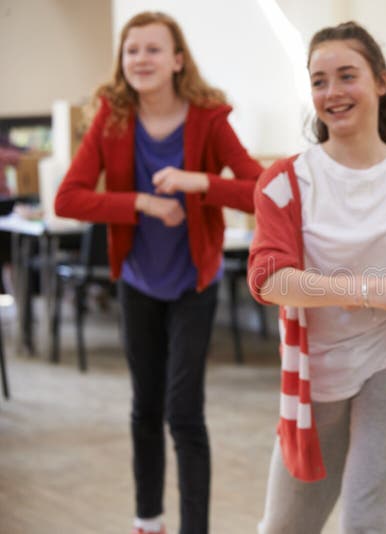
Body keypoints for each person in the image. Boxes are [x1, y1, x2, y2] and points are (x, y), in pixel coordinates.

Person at [247, 21, 386, 534]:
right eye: (319, 81)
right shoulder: (284, 183)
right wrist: (371, 290)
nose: (333, 93)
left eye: (347, 76)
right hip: (312, 375)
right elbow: (268, 279)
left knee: (372, 525)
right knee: (286, 526)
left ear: (380, 83)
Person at [54, 11, 262, 534]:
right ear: (122, 62)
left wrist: (200, 182)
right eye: (132, 50)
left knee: (183, 412)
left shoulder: (209, 118)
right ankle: (148, 521)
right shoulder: (112, 117)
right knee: (144, 406)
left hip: (194, 281)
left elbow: (261, 190)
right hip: (138, 282)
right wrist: (142, 203)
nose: (140, 59)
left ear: (177, 60)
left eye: (153, 49)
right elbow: (69, 198)